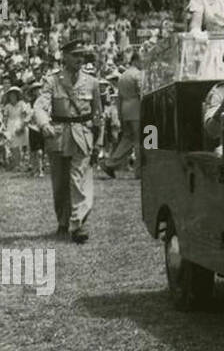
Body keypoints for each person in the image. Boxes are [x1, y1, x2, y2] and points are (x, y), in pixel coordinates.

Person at [34, 39, 104, 243]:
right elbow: (40, 105)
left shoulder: (92, 82)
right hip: (58, 136)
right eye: (75, 55)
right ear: (64, 57)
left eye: (82, 55)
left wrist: (98, 140)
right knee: (60, 183)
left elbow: (98, 114)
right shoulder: (52, 80)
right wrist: (44, 123)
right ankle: (63, 221)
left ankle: (77, 223)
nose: (80, 59)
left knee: (78, 178)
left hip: (83, 135)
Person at [102, 51, 143, 178]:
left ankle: (110, 163)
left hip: (125, 110)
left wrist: (120, 113)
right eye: (141, 61)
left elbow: (119, 97)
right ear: (136, 61)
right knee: (139, 141)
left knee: (127, 139)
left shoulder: (123, 75)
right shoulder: (138, 75)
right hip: (136, 109)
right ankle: (140, 171)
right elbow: (141, 93)